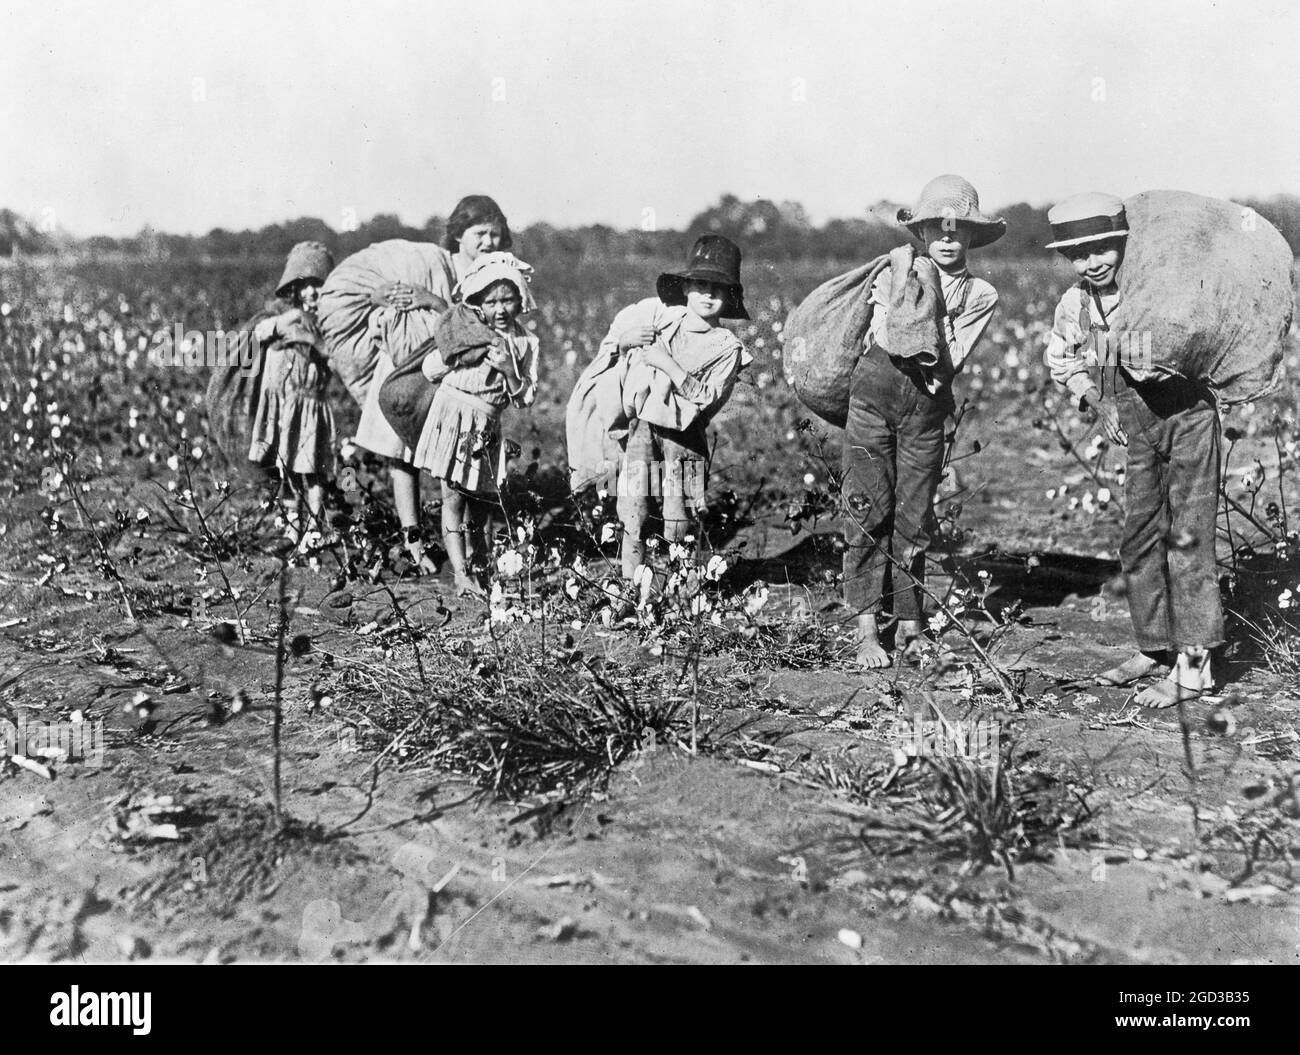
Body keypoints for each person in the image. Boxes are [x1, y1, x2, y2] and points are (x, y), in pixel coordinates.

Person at [1043, 192, 1222, 706]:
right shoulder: (1076, 305)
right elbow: (1064, 361)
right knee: (1139, 540)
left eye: (1102, 249)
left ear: (1124, 245)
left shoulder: (1157, 290)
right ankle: (1154, 646)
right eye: (1078, 254)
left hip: (1188, 420)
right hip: (1139, 429)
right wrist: (1097, 400)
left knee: (1188, 542)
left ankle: (1193, 672)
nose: (1092, 262)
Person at [843, 175, 1002, 668]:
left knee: (913, 517)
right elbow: (884, 336)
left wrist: (926, 306)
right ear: (924, 234)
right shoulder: (893, 274)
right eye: (939, 229)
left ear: (973, 237)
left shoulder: (980, 294)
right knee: (867, 508)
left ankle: (911, 626)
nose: (949, 239)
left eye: (960, 230)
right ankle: (866, 628)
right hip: (873, 397)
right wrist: (915, 300)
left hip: (926, 411)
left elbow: (950, 356)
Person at [569, 235, 753, 611]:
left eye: (717, 288)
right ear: (685, 288)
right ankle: (629, 591)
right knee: (632, 510)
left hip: (684, 440)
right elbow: (623, 361)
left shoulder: (726, 347)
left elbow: (705, 398)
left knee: (678, 514)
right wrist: (626, 343)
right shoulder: (664, 321)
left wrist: (667, 363)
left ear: (729, 296)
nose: (707, 295)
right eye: (700, 285)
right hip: (642, 432)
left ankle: (681, 595)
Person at [338, 195, 511, 574]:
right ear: (459, 236)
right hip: (412, 367)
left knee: (459, 464)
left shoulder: (497, 277)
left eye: (496, 235)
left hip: (459, 381)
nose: (489, 242)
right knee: (403, 455)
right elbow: (384, 297)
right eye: (480, 233)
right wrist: (381, 297)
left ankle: (469, 550)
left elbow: (478, 327)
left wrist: (433, 301)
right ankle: (413, 541)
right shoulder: (434, 264)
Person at [411, 252, 539, 597]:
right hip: (453, 417)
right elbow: (431, 369)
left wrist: (509, 371)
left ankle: (479, 566)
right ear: (478, 302)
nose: (500, 309)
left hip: (487, 425)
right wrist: (460, 355)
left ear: (520, 299)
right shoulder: (466, 331)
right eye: (492, 301)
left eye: (508, 299)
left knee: (482, 503)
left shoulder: (525, 343)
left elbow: (525, 398)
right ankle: (460, 573)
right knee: (452, 497)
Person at [247, 241, 336, 551]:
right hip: (283, 405)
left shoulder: (331, 322)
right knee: (284, 469)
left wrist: (308, 338)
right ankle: (291, 527)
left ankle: (313, 529)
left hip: (310, 404)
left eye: (318, 285)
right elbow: (259, 333)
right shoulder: (284, 317)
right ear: (295, 290)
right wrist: (285, 323)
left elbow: (338, 360)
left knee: (311, 469)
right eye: (305, 286)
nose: (312, 292)